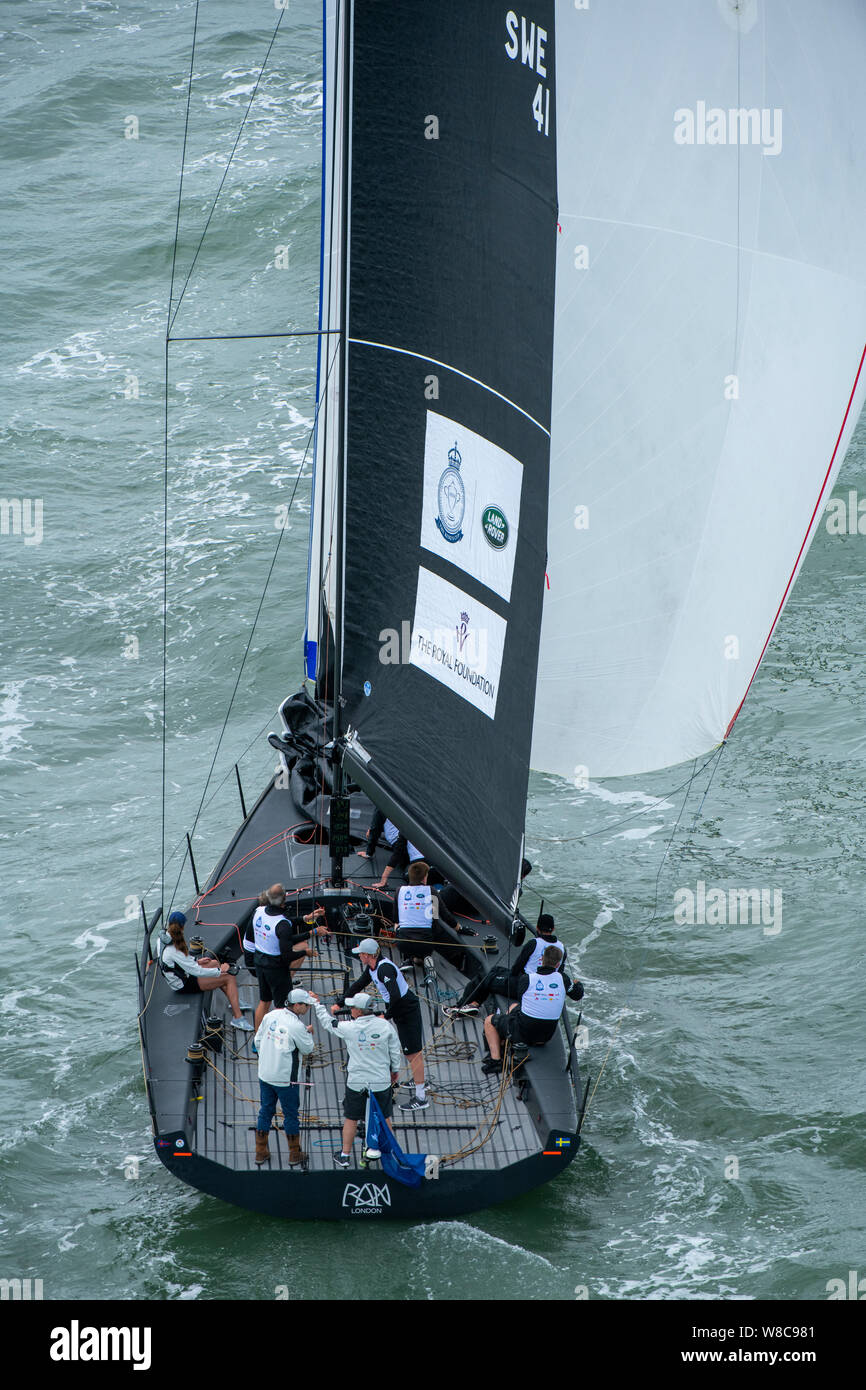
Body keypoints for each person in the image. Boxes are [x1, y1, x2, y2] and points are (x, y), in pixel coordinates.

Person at [310, 990, 402, 1169]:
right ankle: (390, 1152)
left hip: (357, 1083)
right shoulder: (385, 1026)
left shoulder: (349, 1028)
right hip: (381, 1081)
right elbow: (395, 1050)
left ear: (359, 1011)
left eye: (352, 1007)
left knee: (351, 1118)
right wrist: (395, 1071)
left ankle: (344, 1155)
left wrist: (316, 1004)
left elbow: (328, 1023)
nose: (350, 1009)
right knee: (385, 1117)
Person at [345, 938, 428, 1111]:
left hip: (406, 1009)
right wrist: (341, 1001)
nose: (359, 956)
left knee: (413, 1053)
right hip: (398, 1008)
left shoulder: (385, 969)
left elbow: (396, 995)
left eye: (361, 953)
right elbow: (360, 984)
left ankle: (421, 1097)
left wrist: (386, 1016)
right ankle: (419, 1079)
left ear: (368, 955)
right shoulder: (373, 967)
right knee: (410, 1053)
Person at [444, 914, 576, 1018]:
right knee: (496, 971)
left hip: (523, 984)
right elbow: (560, 972)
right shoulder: (561, 948)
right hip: (543, 987)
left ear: (537, 928)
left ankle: (460, 1007)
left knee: (487, 976)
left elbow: (517, 966)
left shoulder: (534, 943)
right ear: (553, 929)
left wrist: (509, 979)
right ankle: (475, 1004)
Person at [481, 945, 584, 1073]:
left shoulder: (526, 979)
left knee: (489, 1021)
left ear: (541, 959)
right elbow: (578, 995)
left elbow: (523, 1000)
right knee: (514, 1007)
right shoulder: (563, 979)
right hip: (545, 1037)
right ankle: (503, 1043)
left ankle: (496, 1061)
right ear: (558, 964)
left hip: (524, 1034)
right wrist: (578, 984)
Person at [156, 912, 253, 1031]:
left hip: (181, 975)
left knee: (214, 962)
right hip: (183, 984)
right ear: (181, 926)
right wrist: (220, 971)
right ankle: (238, 1018)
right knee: (228, 977)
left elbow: (178, 962)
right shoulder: (174, 948)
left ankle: (234, 1000)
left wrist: (197, 960)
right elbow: (197, 972)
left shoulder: (162, 939)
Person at [251, 884, 329, 1031]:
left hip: (260, 963)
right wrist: (306, 952)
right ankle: (287, 1040)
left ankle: (258, 1040)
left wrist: (307, 918)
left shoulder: (258, 911)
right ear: (284, 900)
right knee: (285, 1009)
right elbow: (287, 956)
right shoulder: (283, 925)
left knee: (264, 1001)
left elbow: (281, 925)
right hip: (276, 969)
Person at [253, 988, 316, 1166]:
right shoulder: (296, 1026)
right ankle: (295, 1154)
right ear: (297, 1005)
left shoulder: (270, 1015)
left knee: (265, 1110)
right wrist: (307, 1032)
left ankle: (260, 1152)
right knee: (290, 1115)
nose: (308, 1009)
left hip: (265, 1074)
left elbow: (257, 1041)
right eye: (306, 1006)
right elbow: (308, 1049)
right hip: (286, 1079)